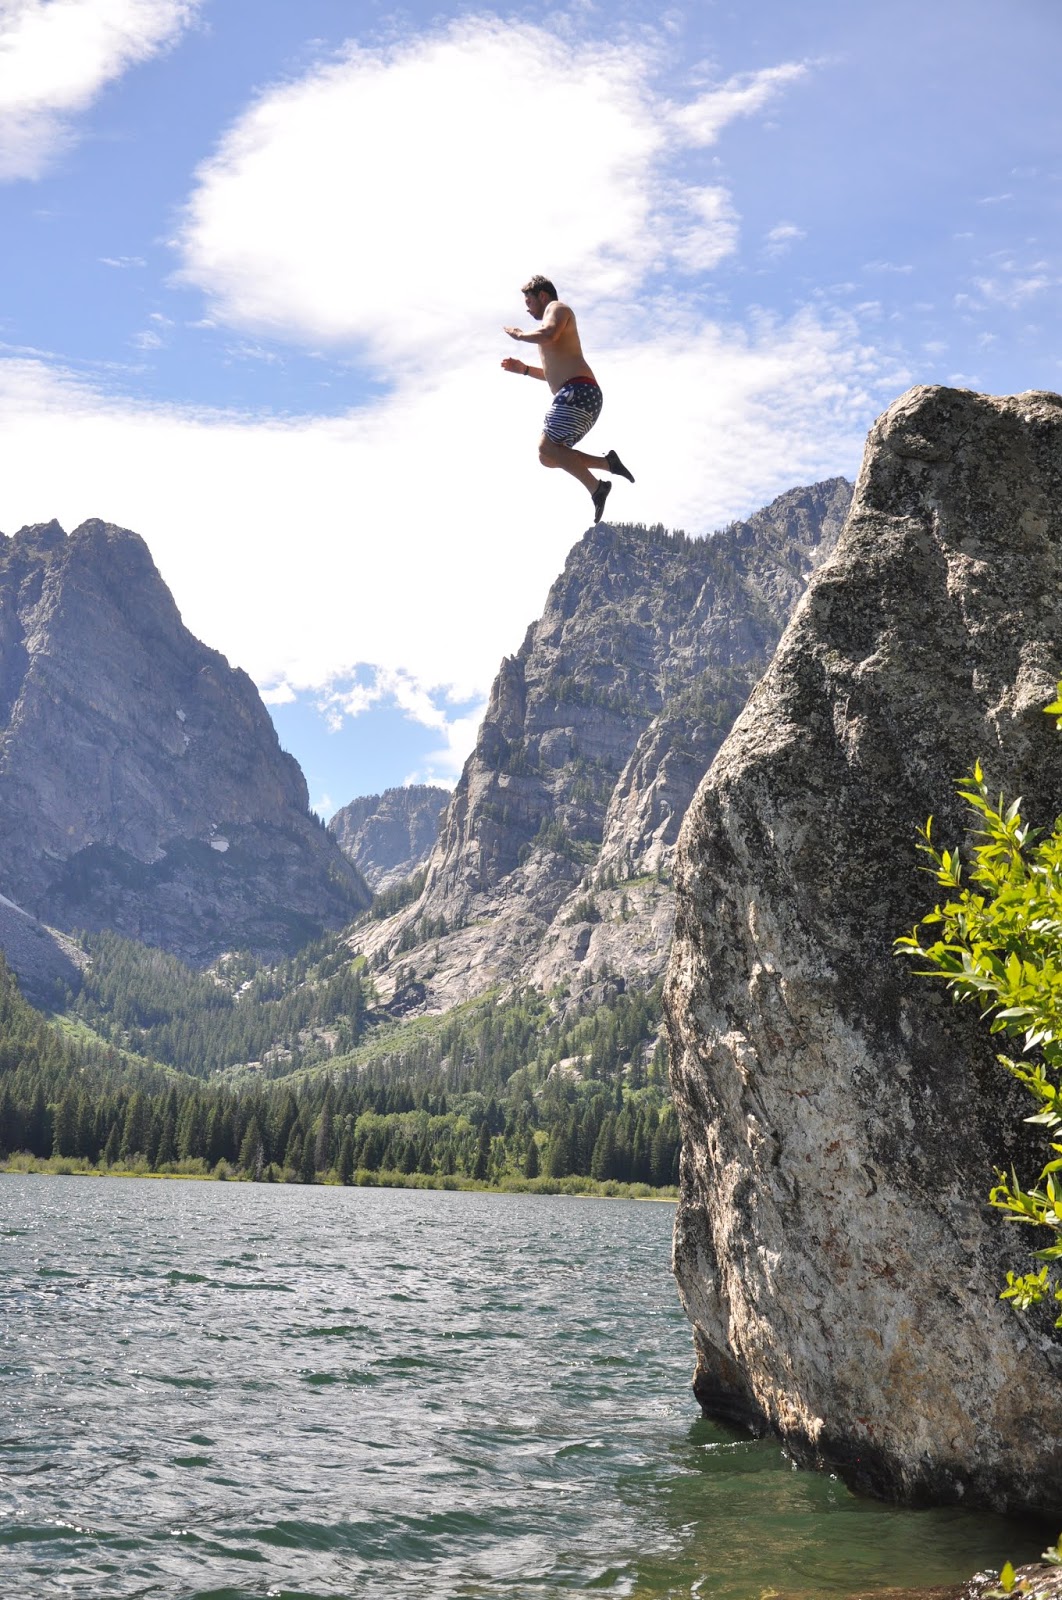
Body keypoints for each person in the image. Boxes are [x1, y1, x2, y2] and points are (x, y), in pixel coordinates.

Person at [501, 275, 634, 524]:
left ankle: (597, 488)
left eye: (529, 301)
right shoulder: (548, 328)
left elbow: (549, 334)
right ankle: (607, 463)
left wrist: (519, 335)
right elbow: (553, 373)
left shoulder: (557, 308)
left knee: (546, 448)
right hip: (577, 393)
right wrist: (525, 370)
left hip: (578, 391)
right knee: (548, 457)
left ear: (542, 296)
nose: (527, 309)